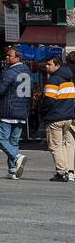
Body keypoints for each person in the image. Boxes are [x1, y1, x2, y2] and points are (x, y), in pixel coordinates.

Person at [0, 46, 30, 180]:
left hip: (7, 110)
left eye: (9, 56)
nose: (7, 57)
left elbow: (0, 91)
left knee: (2, 139)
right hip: (21, 111)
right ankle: (13, 170)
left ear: (17, 57)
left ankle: (17, 157)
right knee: (14, 141)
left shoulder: (10, 71)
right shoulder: (26, 71)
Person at [38, 54, 74, 182]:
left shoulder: (53, 80)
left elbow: (49, 101)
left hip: (55, 117)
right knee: (66, 144)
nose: (47, 67)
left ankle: (61, 172)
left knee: (55, 145)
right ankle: (68, 171)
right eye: (46, 64)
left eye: (49, 64)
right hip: (68, 116)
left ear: (57, 65)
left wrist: (43, 112)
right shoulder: (69, 79)